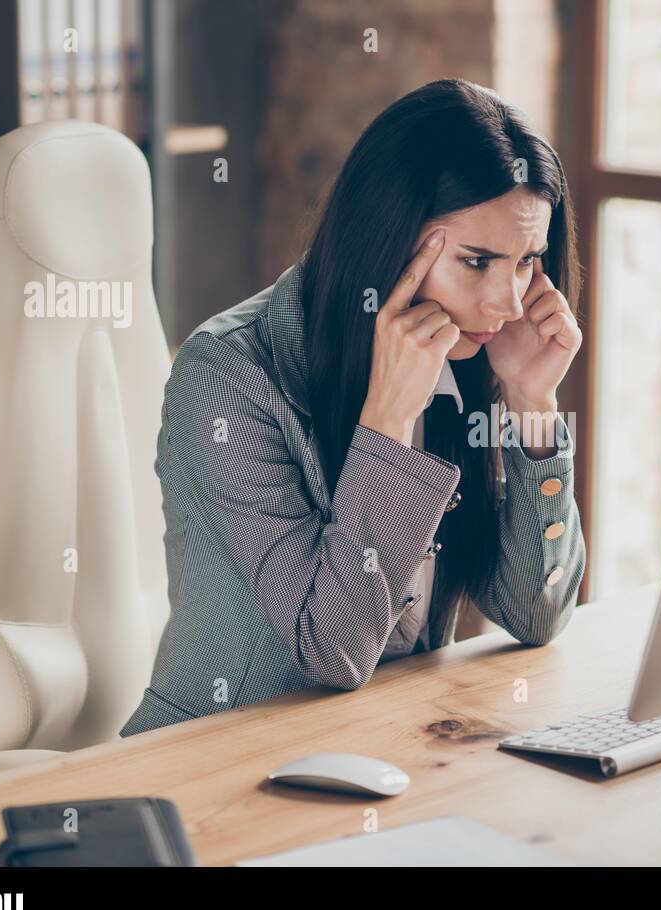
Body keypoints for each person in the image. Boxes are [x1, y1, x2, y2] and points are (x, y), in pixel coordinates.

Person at [120, 78, 586, 736]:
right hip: (219, 755)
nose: (507, 304)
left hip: (384, 747)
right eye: (477, 261)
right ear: (390, 239)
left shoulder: (469, 356)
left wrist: (532, 403)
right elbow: (331, 651)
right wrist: (389, 423)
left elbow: (534, 615)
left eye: (525, 263)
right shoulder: (225, 375)